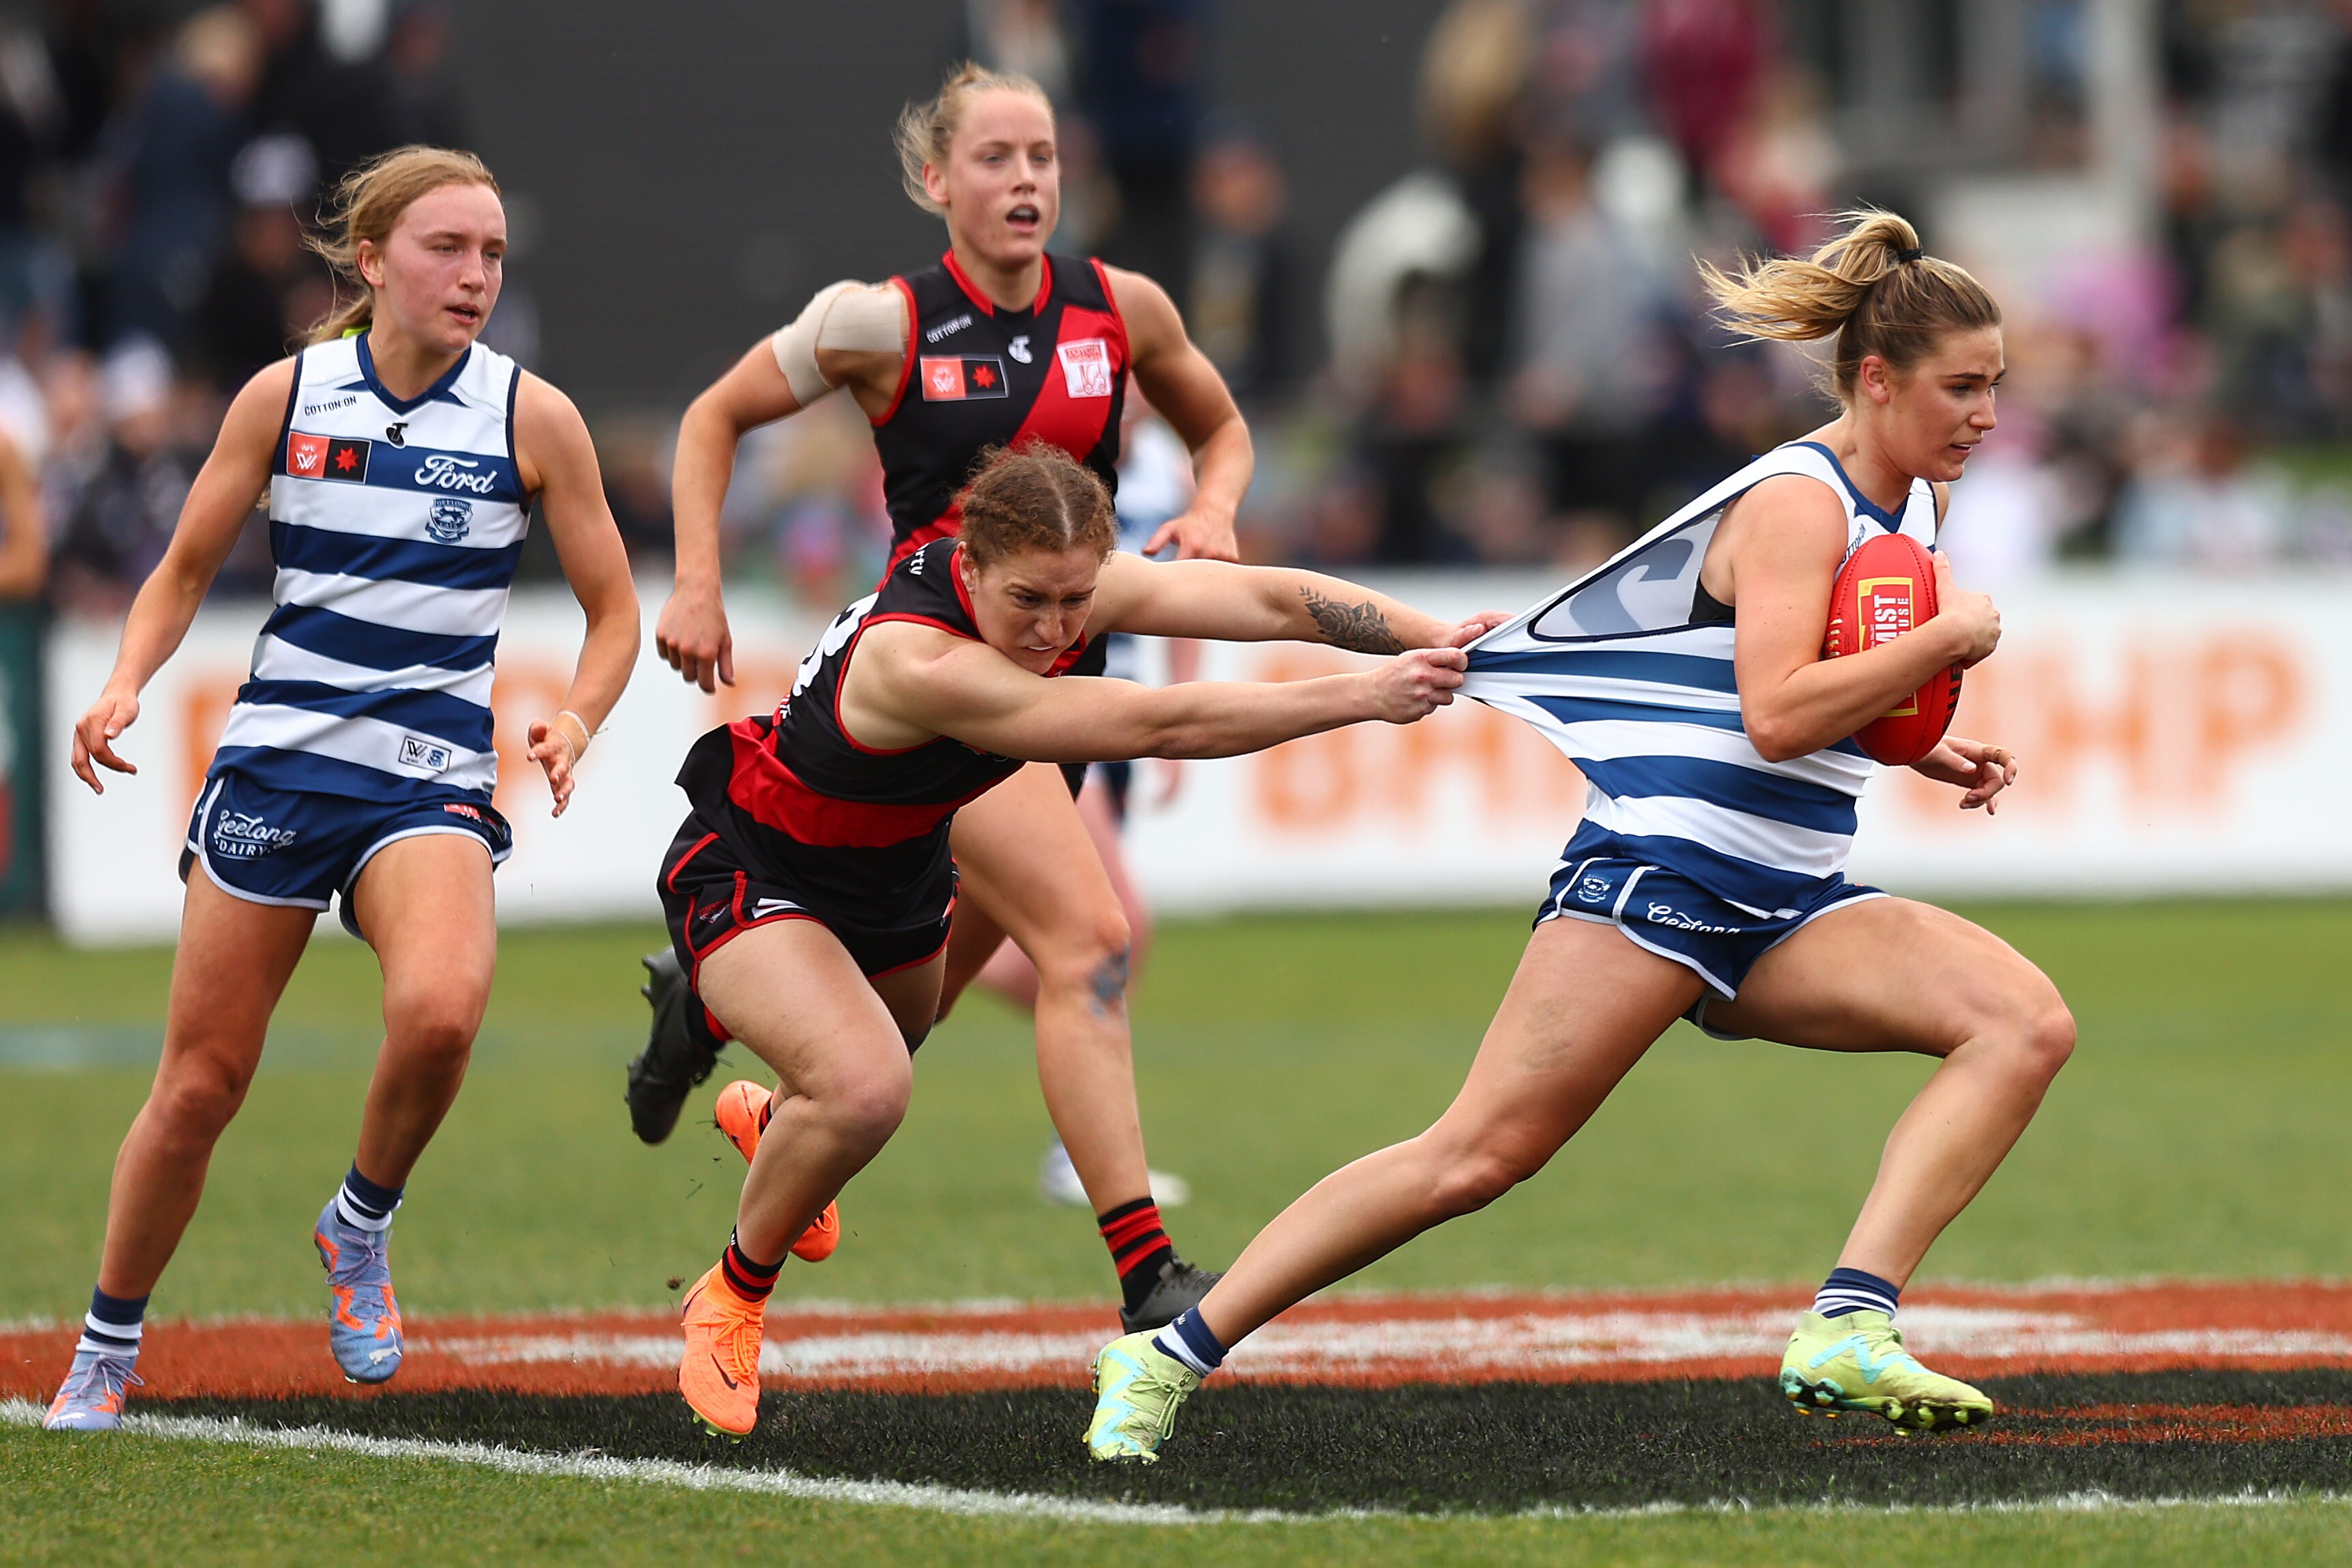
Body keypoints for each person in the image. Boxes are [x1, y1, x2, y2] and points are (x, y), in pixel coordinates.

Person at [1083, 210, 2078, 1462]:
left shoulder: (1913, 505)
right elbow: (1775, 713)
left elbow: (1773, 686)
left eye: (1996, 385)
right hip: (1659, 881)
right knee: (1473, 1157)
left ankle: (1847, 1320)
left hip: (1787, 895)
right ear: (1876, 381)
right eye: (1962, 386)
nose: (1987, 413)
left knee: (2022, 1020)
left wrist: (1923, 739)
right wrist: (1939, 648)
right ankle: (1168, 1350)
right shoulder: (1798, 503)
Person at [666, 443, 1491, 1440]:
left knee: (858, 1077)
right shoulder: (919, 659)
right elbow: (1158, 719)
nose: (1055, 627)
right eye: (1029, 602)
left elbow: (1270, 603)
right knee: (868, 1086)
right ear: (966, 567)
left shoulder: (1060, 577)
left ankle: (781, 1124)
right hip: (758, 867)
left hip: (897, 885)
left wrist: (1436, 634)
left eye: (1076, 600)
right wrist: (1365, 695)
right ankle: (732, 1291)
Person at [634, 61, 1258, 1337]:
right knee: (1089, 945)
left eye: (1042, 156)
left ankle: (737, 1044)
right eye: (994, 158)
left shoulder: (1119, 306)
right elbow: (711, 417)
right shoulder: (880, 323)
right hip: (952, 689)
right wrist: (696, 580)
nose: (1026, 179)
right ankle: (1148, 1271)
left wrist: (1215, 507)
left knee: (909, 1007)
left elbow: (1222, 426)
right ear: (936, 180)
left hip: (1062, 674)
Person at [41, 147, 639, 1431]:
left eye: (490, 252)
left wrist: (580, 718)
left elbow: (614, 614)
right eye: (446, 248)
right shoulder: (287, 394)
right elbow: (184, 565)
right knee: (200, 1084)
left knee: (440, 1013)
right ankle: (106, 1341)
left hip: (426, 775)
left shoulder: (534, 417)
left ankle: (358, 1223)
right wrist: (125, 680)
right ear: (371, 261)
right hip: (279, 763)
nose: (475, 274)